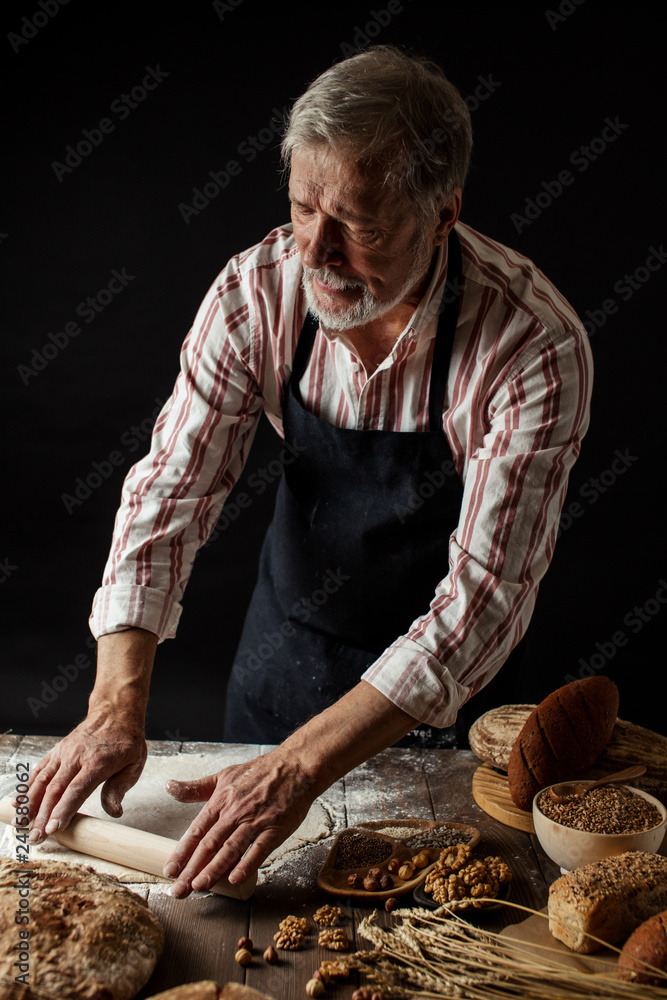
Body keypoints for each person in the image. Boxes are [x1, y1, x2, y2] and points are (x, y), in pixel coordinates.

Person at [23, 45, 592, 897]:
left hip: (452, 705)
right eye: (300, 208)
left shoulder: (530, 345)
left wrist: (302, 768)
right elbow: (168, 493)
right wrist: (113, 705)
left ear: (441, 215)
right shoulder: (255, 294)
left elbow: (485, 599)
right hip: (282, 654)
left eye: (358, 225)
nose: (317, 251)